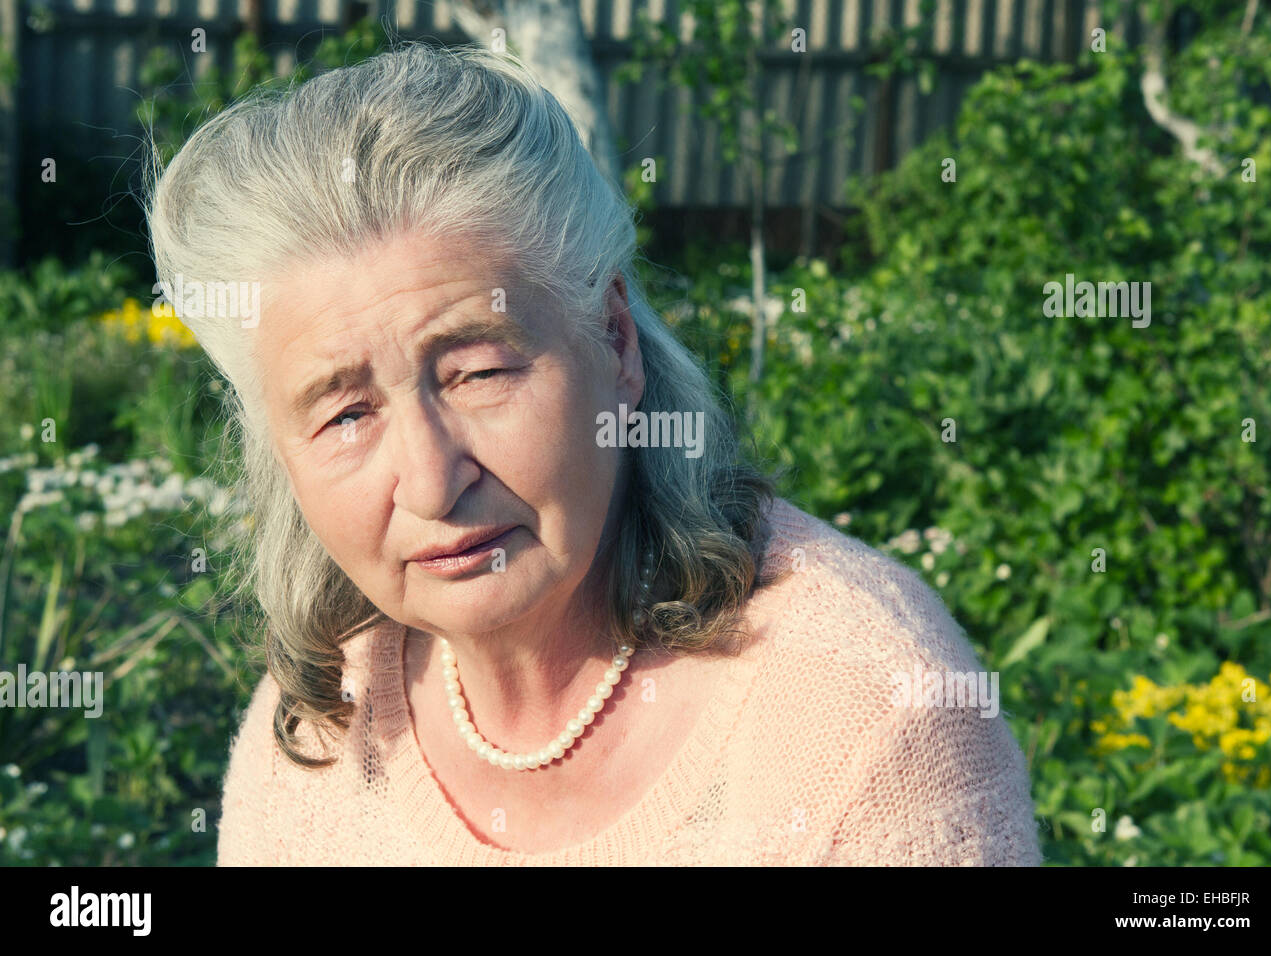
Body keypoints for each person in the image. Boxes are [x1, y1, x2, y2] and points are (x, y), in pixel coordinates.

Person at [144, 42, 1041, 865]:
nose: (428, 479)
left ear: (615, 341)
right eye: (344, 415)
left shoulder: (867, 716)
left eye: (478, 371)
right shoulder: (324, 734)